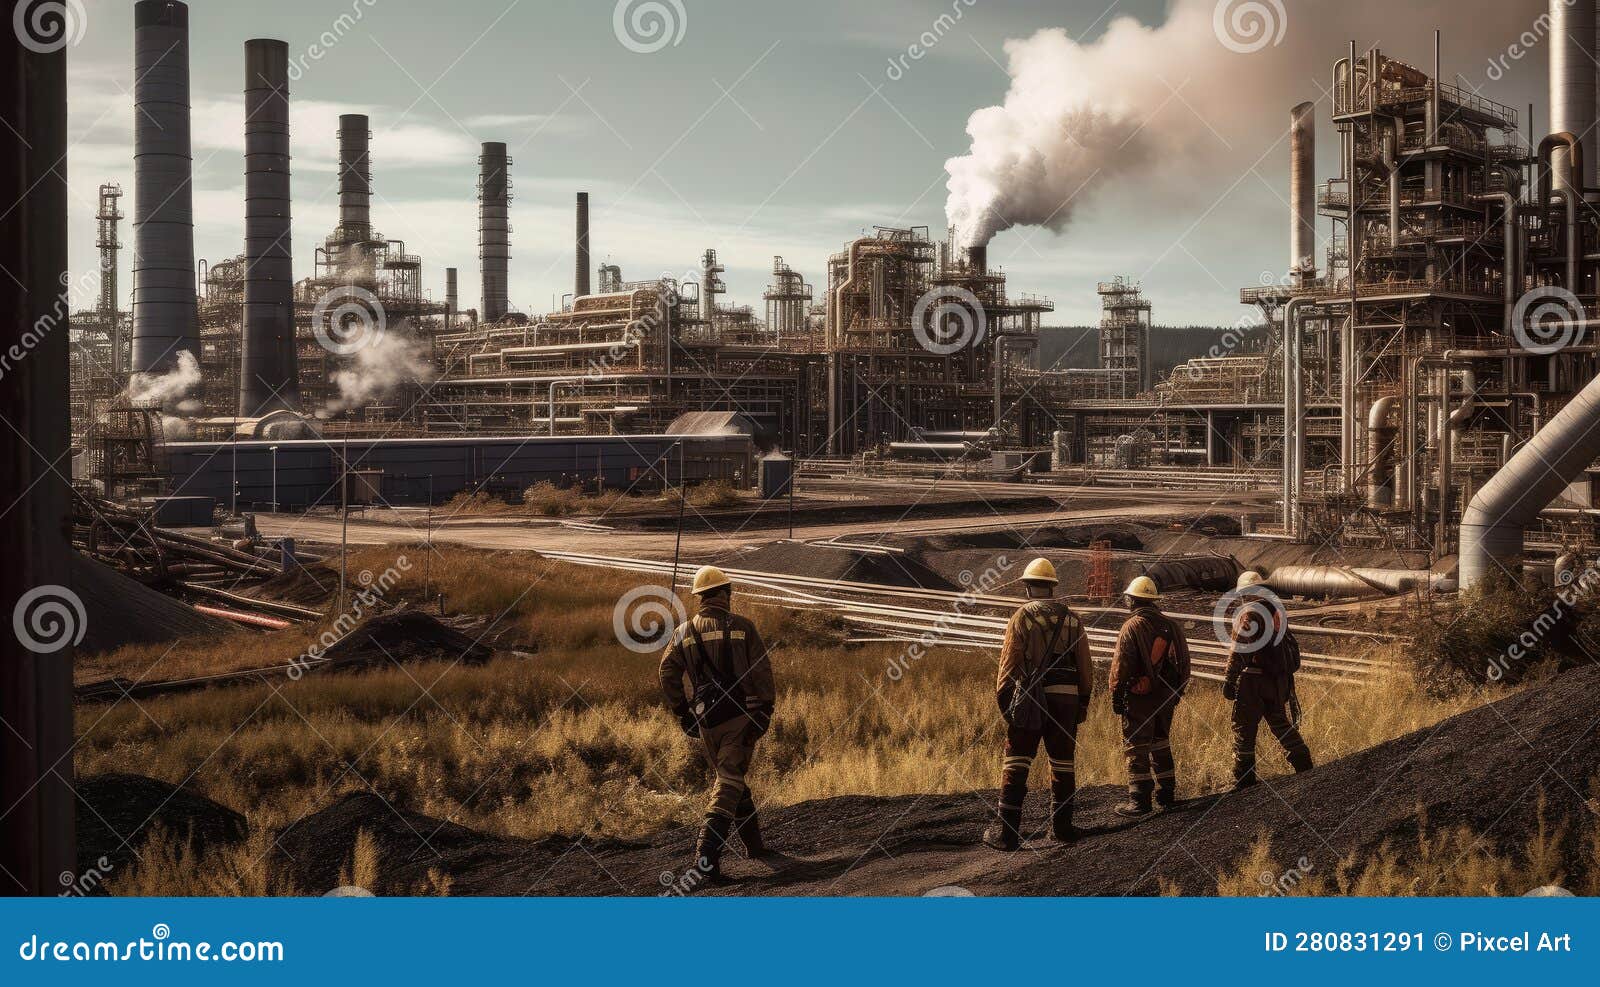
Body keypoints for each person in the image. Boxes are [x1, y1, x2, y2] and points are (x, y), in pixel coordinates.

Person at [659, 565, 776, 883]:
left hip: (706, 721)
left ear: (700, 597)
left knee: (732, 777)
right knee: (728, 782)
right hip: (741, 717)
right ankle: (704, 862)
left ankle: (755, 847)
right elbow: (762, 672)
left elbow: (667, 672)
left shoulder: (683, 632)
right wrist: (765, 710)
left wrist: (682, 712)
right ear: (725, 594)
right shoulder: (743, 627)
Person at [983, 558, 1095, 850]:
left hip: (1032, 697)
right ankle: (1062, 827)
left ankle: (1007, 834)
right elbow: (1085, 665)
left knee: (1017, 759)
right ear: (1052, 586)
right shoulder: (1072, 618)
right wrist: (1083, 700)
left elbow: (1009, 665)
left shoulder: (1022, 617)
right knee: (1062, 761)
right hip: (1067, 698)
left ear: (1028, 587)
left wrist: (1007, 705)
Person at [1223, 571, 1313, 789]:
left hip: (1254, 683)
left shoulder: (1249, 613)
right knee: (1281, 724)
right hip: (1278, 683)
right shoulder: (1277, 612)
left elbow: (1240, 650)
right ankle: (1306, 767)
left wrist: (1229, 679)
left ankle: (1244, 781)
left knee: (1244, 729)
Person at [1109, 576, 1190, 817]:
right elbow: (1184, 664)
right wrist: (1177, 692)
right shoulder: (1172, 626)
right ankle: (1166, 795)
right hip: (1166, 695)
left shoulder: (1132, 626)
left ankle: (1139, 800)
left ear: (1132, 600)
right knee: (1161, 741)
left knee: (1137, 744)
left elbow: (1121, 664)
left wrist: (1116, 692)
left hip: (1139, 696)